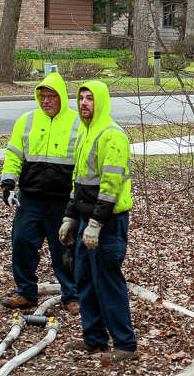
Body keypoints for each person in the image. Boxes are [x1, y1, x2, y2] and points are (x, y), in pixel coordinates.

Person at [58, 81, 137, 360]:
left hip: (107, 223)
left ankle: (125, 345)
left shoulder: (112, 135)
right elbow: (78, 181)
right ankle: (93, 339)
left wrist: (96, 223)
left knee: (107, 281)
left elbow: (112, 185)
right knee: (85, 280)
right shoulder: (85, 132)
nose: (83, 103)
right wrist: (70, 216)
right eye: (81, 98)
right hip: (84, 219)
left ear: (101, 102)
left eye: (90, 98)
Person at [0, 71, 80, 314]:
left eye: (51, 96)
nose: (46, 101)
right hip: (30, 198)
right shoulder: (27, 121)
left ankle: (72, 296)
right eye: (42, 96)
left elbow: (84, 164)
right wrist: (8, 182)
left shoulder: (77, 123)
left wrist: (78, 197)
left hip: (62, 201)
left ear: (62, 97)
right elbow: (14, 154)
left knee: (64, 250)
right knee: (22, 244)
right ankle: (26, 294)